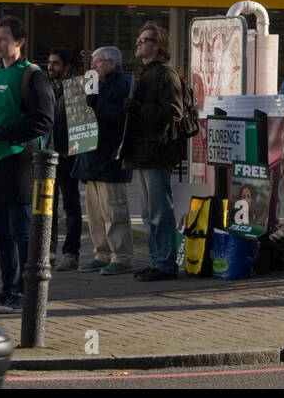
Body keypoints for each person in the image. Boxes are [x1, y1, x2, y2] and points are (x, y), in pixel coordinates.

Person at [0, 15, 55, 313]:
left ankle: (23, 292)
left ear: (19, 42)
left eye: (3, 40)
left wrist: (3, 133)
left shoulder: (32, 75)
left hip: (18, 163)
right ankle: (7, 288)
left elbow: (43, 121)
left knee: (20, 230)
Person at [121, 22, 184, 281]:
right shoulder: (147, 74)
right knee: (148, 213)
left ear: (158, 45)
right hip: (144, 153)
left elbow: (174, 112)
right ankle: (158, 260)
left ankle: (166, 264)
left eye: (144, 40)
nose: (139, 44)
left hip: (157, 152)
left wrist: (138, 109)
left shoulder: (164, 75)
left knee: (159, 211)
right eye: (138, 40)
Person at [75, 46, 135, 275]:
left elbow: (123, 118)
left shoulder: (124, 84)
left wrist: (97, 103)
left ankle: (122, 256)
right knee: (95, 214)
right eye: (92, 62)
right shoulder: (93, 83)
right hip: (91, 157)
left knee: (114, 211)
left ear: (112, 63)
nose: (93, 66)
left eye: (98, 62)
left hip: (112, 157)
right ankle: (102, 253)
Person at [46, 47, 83, 271]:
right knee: (47, 206)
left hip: (68, 157)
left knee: (71, 205)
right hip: (47, 158)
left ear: (67, 67)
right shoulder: (46, 88)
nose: (51, 67)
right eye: (49, 62)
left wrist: (72, 150)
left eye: (56, 63)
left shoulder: (75, 90)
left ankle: (71, 253)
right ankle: (47, 250)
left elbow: (82, 124)